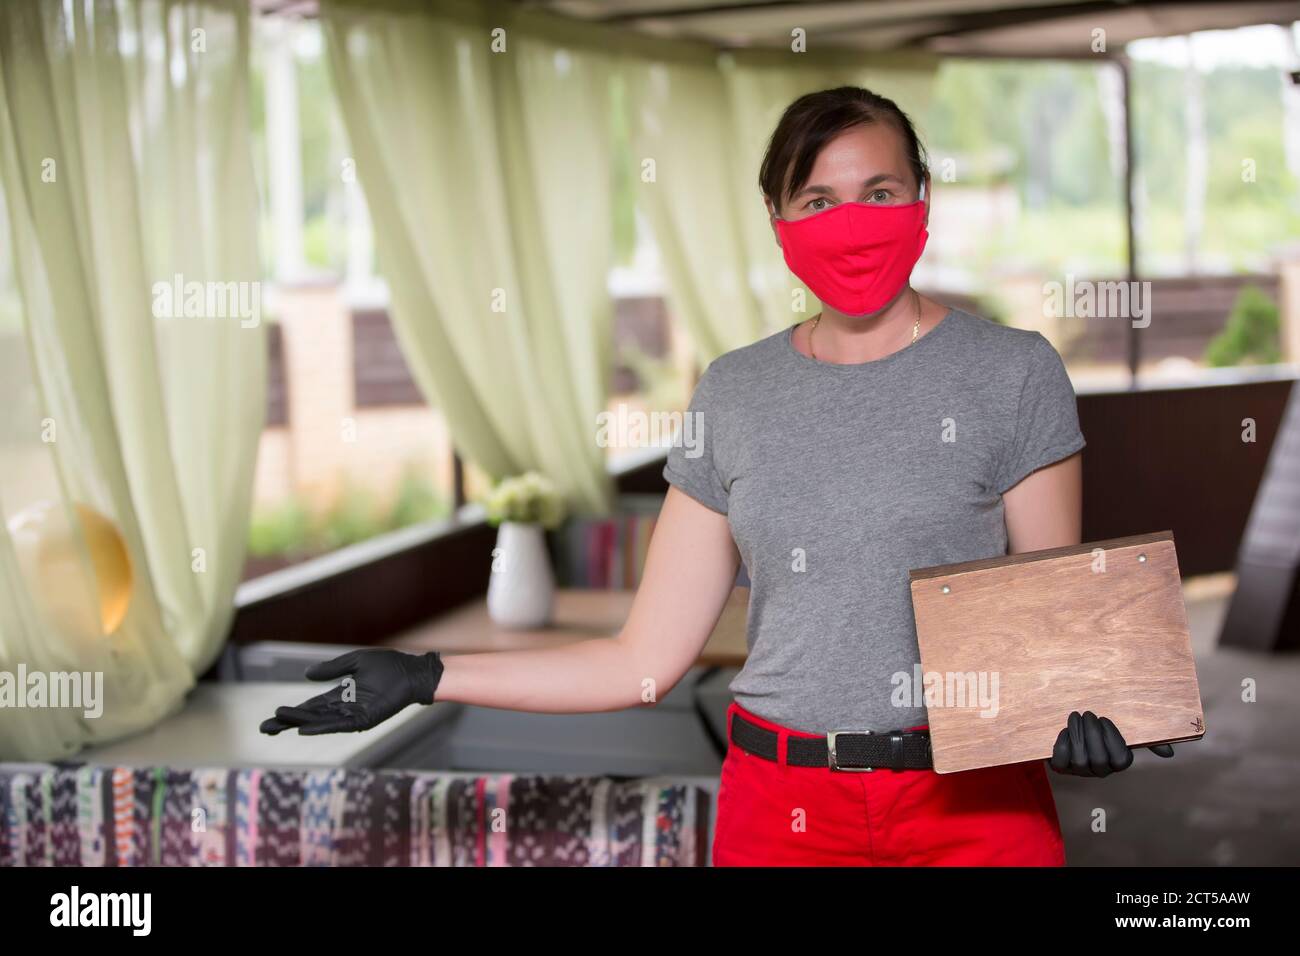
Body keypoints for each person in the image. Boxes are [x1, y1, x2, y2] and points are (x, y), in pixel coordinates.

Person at [261, 85, 1173, 866]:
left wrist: (1084, 720)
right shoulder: (734, 393)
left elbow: (1053, 643)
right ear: (780, 224)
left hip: (973, 811)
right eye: (817, 200)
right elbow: (642, 661)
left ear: (922, 199)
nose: (849, 220)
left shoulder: (1012, 373)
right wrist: (426, 676)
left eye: (878, 190)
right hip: (782, 814)